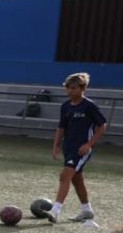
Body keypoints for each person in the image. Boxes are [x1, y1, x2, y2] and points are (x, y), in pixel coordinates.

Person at [46, 72, 107, 224]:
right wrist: (56, 146)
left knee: (64, 176)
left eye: (73, 88)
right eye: (67, 88)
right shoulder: (65, 106)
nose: (69, 91)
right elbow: (61, 128)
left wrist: (89, 144)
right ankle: (87, 210)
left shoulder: (89, 106)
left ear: (82, 88)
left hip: (81, 149)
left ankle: (55, 210)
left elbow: (102, 126)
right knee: (76, 180)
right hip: (69, 148)